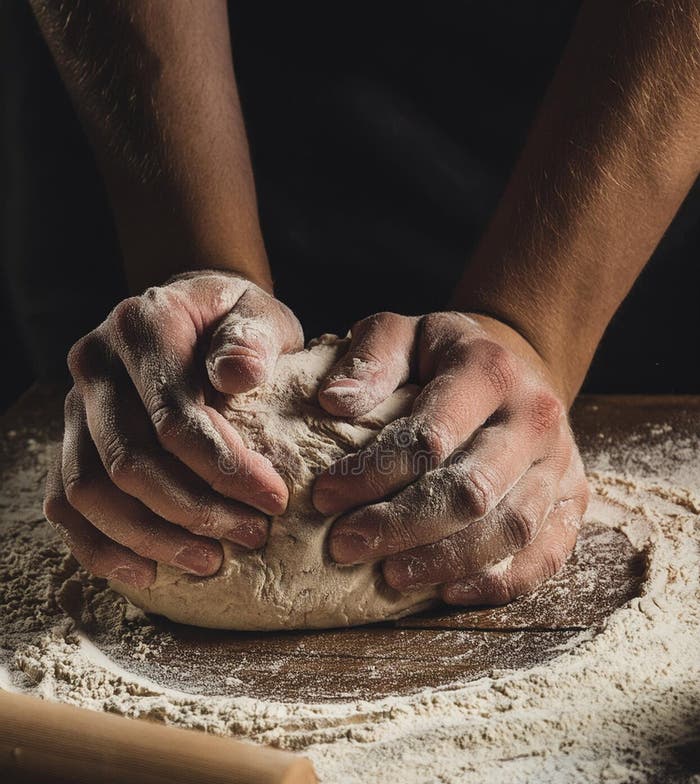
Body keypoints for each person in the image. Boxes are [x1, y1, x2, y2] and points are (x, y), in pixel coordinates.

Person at [24, 1, 699, 606]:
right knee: (164, 433)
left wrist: (531, 332)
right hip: (162, 104)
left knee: (490, 456)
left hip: (596, 137)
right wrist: (190, 278)